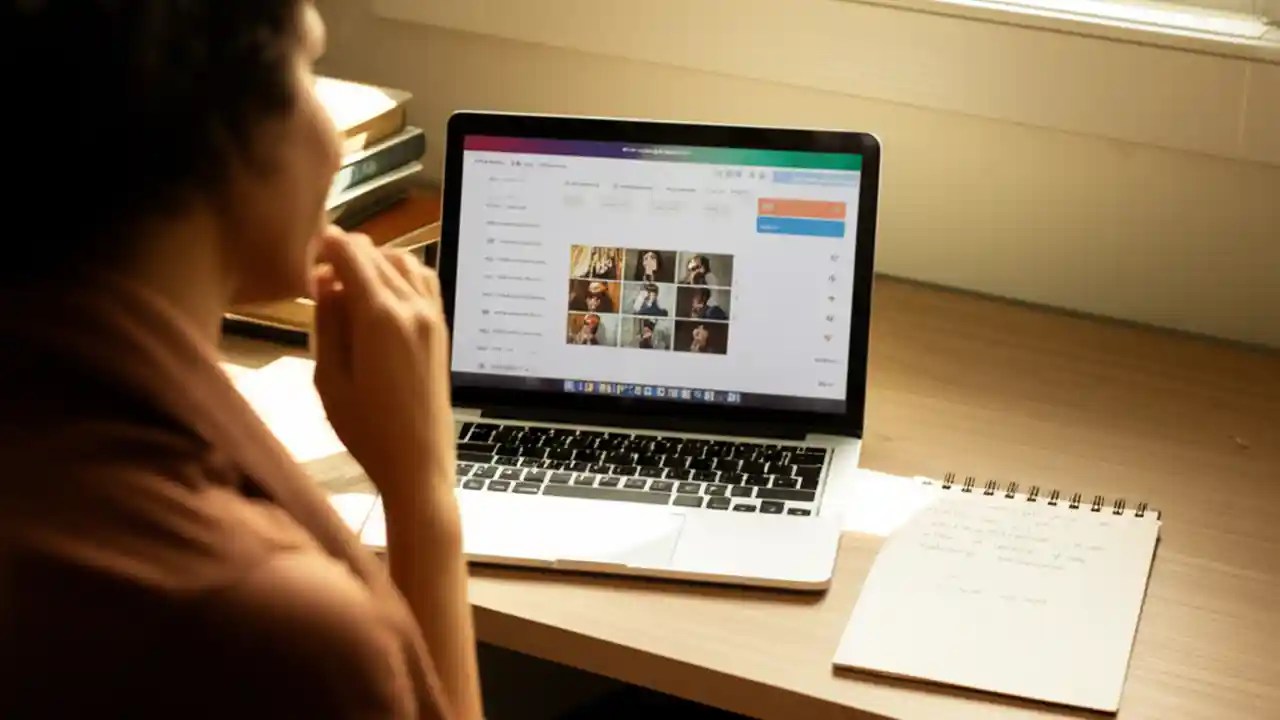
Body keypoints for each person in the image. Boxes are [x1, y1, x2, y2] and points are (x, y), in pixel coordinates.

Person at [0, 3, 481, 719]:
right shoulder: (280, 627)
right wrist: (425, 493)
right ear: (222, 130)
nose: (335, 143)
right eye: (309, 72)